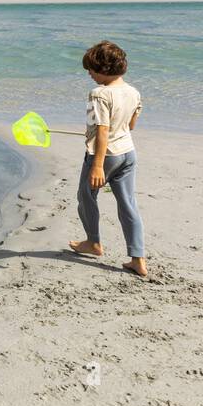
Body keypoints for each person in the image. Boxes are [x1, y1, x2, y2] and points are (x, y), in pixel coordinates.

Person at [68, 40, 147, 276]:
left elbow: (102, 130)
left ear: (103, 69)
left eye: (91, 70)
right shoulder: (133, 91)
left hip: (105, 156)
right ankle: (138, 259)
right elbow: (131, 124)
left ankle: (93, 242)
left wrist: (97, 166)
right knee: (128, 204)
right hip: (128, 154)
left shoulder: (99, 94)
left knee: (86, 196)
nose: (89, 75)